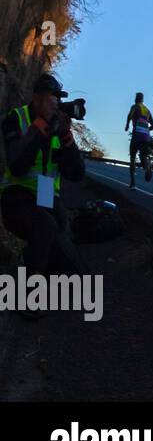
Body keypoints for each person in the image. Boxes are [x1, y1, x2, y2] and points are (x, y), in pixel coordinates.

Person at [2, 73, 86, 286]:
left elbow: (76, 174)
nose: (57, 102)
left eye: (59, 98)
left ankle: (33, 262)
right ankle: (30, 293)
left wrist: (67, 138)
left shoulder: (58, 126)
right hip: (17, 193)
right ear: (38, 98)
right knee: (45, 225)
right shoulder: (16, 118)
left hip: (46, 193)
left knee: (61, 229)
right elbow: (17, 167)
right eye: (53, 97)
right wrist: (39, 128)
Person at [124, 92, 153, 189]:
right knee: (143, 157)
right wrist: (145, 130)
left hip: (136, 134)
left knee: (132, 157)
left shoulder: (135, 106)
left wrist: (127, 124)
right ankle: (148, 167)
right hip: (145, 136)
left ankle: (133, 183)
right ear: (143, 99)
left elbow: (130, 115)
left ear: (136, 99)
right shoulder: (147, 111)